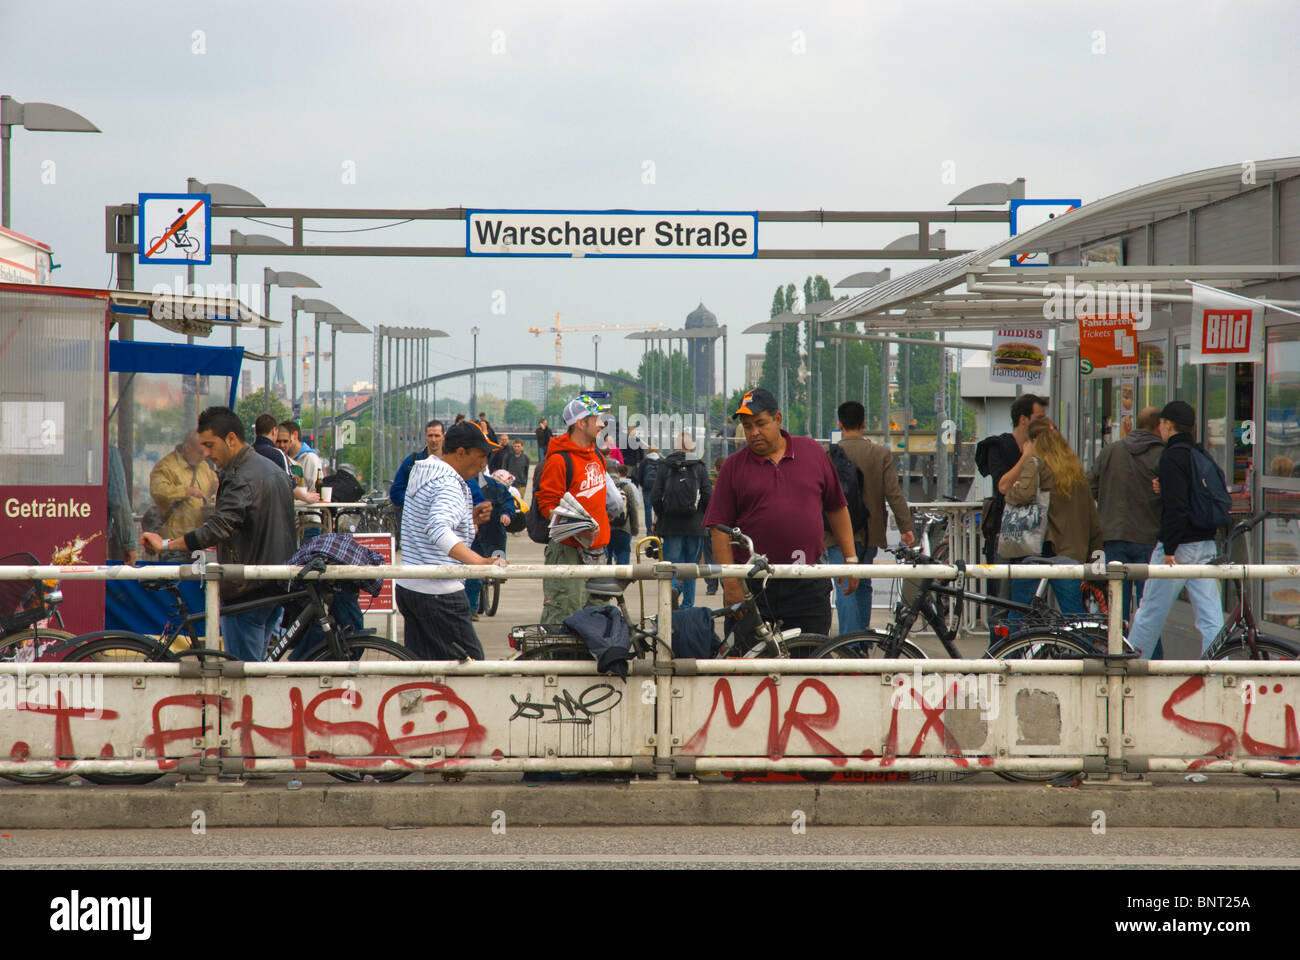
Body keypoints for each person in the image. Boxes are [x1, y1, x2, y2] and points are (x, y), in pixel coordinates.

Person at [704, 388, 858, 647]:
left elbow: (837, 507)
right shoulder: (733, 466)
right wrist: (730, 583)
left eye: (760, 423)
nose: (753, 432)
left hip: (807, 581)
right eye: (747, 426)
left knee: (810, 663)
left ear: (778, 419)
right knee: (748, 666)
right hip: (752, 585)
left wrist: (851, 559)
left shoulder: (812, 453)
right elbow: (718, 527)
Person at [140, 407, 296, 661]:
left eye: (210, 445)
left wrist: (166, 544)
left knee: (241, 677)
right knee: (257, 672)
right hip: (275, 583)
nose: (206, 453)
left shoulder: (240, 477)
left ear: (231, 439)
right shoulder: (272, 469)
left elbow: (217, 529)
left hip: (247, 590)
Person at [395, 421, 505, 660]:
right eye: (481, 455)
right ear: (461, 453)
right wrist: (478, 561)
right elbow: (437, 529)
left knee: (424, 671)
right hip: (439, 592)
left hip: (410, 586)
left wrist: (468, 519)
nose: (484, 464)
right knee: (473, 670)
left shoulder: (423, 471)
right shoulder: (449, 483)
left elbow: (426, 521)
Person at [1126, 401, 1226, 659]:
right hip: (1206, 545)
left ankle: (1129, 671)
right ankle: (1220, 671)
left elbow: (1177, 508)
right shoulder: (1200, 453)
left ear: (1167, 424)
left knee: (1149, 612)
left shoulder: (1171, 456)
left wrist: (1169, 548)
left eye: (1161, 423)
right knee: (1210, 616)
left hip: (1178, 548)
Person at [822, 400, 915, 634]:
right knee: (862, 584)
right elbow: (893, 493)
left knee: (843, 583)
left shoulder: (826, 454)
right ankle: (861, 642)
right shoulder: (880, 454)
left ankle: (849, 646)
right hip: (870, 531)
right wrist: (906, 526)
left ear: (839, 424)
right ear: (863, 423)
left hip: (834, 532)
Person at [999, 418, 1102, 623]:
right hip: (1070, 554)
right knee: (1075, 614)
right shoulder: (1076, 471)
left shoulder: (1036, 465)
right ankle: (1084, 651)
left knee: (1019, 612)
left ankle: (1013, 654)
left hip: (1038, 552)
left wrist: (1025, 459)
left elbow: (1016, 493)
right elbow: (1093, 519)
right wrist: (1094, 556)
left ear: (1034, 440)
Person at [536, 394, 612, 626]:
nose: (602, 424)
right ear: (580, 423)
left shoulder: (598, 455)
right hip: (568, 552)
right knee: (563, 617)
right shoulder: (559, 460)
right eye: (597, 418)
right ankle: (557, 662)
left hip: (598, 552)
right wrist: (578, 530)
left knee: (597, 620)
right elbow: (547, 506)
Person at [1087, 405, 1165, 625]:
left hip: (1113, 537)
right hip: (1149, 539)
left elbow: (1089, 487)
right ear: (1159, 427)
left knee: (1115, 607)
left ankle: (1117, 652)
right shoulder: (1162, 455)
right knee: (1147, 609)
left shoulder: (1111, 451)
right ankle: (1148, 656)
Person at [976, 393, 1048, 568]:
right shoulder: (998, 446)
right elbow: (1003, 485)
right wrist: (1026, 457)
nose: (1044, 424)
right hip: (1007, 532)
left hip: (1038, 532)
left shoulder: (1045, 449)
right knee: (1003, 588)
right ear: (1023, 419)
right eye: (1039, 418)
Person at [651, 431, 712, 607]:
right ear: (691, 446)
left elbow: (655, 496)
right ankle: (687, 606)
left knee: (673, 564)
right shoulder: (699, 467)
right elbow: (708, 495)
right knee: (691, 567)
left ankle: (675, 587)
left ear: (675, 446)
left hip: (671, 525)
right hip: (695, 525)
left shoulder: (665, 466)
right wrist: (700, 514)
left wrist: (661, 514)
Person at [147, 430, 218, 547]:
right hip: (174, 539)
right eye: (200, 452)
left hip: (198, 539)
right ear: (188, 449)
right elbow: (158, 491)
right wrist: (185, 491)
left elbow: (213, 483)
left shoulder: (203, 466)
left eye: (206, 453)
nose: (204, 456)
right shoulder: (166, 466)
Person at [389, 420, 445, 530]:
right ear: (425, 436)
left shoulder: (452, 462)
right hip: (416, 526)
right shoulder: (412, 462)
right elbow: (395, 492)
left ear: (443, 436)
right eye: (430, 436)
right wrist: (416, 503)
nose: (433, 440)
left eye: (437, 436)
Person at [278, 420, 325, 540]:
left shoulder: (310, 458)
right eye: (278, 441)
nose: (282, 445)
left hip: (309, 519)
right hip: (291, 521)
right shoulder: (284, 459)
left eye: (285, 441)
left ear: (294, 436)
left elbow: (316, 488)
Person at [701, 456, 727, 595]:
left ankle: (711, 585)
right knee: (724, 555)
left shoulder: (709, 486)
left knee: (709, 556)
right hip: (724, 526)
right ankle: (724, 582)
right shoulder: (731, 484)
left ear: (715, 469)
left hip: (709, 524)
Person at [606, 463, 641, 565]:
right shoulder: (627, 487)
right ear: (618, 473)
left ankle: (605, 577)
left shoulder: (603, 487)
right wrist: (634, 529)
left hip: (607, 528)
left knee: (607, 554)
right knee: (623, 551)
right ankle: (622, 578)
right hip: (624, 528)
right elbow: (633, 509)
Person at [252, 413, 292, 481]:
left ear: (255, 431)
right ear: (274, 431)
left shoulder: (246, 453)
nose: (281, 445)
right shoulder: (278, 455)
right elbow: (290, 484)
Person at [637, 446, 664, 533]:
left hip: (647, 488)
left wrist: (643, 485)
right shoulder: (661, 462)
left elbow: (639, 476)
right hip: (658, 489)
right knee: (658, 509)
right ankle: (656, 528)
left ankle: (649, 531)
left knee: (648, 510)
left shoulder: (644, 461)